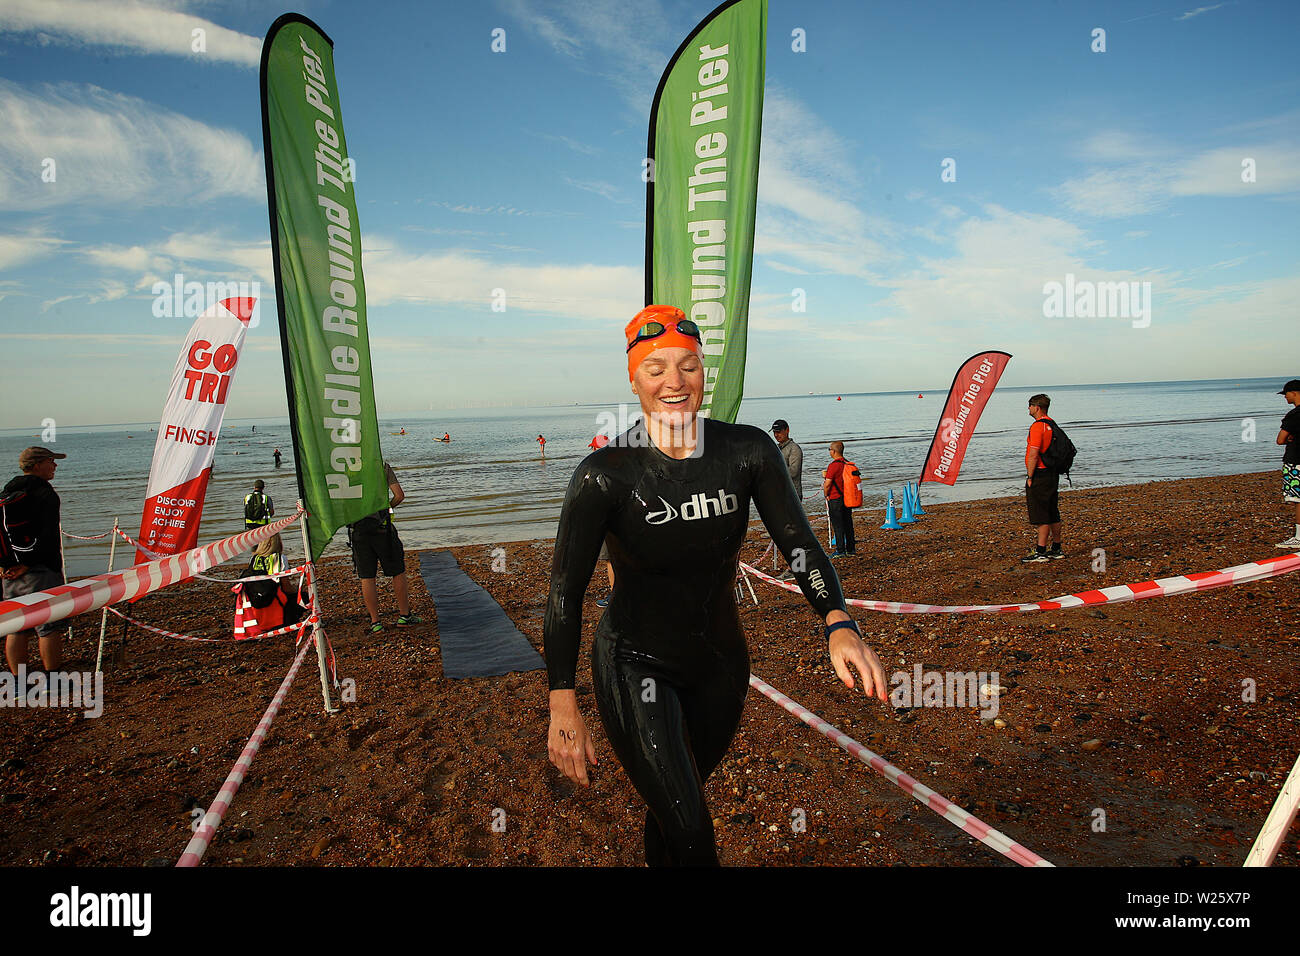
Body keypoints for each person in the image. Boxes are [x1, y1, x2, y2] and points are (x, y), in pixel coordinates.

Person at [543, 304, 887, 867]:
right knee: (690, 824)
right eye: (656, 370)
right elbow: (565, 592)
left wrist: (838, 622)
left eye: (688, 366)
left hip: (721, 668)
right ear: (633, 379)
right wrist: (562, 701)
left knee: (677, 807)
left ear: (705, 371)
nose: (674, 383)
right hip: (634, 664)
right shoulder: (605, 474)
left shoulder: (747, 451)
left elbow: (800, 543)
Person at [2, 447, 68, 673]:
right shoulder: (44, 493)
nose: (55, 466)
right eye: (51, 461)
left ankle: (18, 680)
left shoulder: (7, 492)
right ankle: (52, 678)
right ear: (37, 465)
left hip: (10, 570)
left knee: (16, 628)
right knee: (48, 626)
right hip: (40, 569)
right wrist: (29, 564)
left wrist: (6, 565)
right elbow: (49, 535)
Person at [348, 461, 421, 633]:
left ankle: (375, 622)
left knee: (367, 576)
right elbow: (399, 495)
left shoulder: (347, 467)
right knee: (397, 570)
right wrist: (385, 508)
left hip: (358, 528)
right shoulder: (380, 465)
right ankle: (404, 615)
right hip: (382, 527)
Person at [1022, 393, 1064, 562]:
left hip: (1040, 473)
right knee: (1053, 511)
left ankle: (1040, 551)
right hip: (1052, 473)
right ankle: (1056, 548)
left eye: (1030, 406)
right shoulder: (1052, 424)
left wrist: (1030, 476)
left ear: (1037, 408)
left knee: (1042, 514)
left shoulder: (1038, 427)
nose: (1029, 409)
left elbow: (1033, 454)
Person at [1276, 379, 1300, 549]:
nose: (1285, 397)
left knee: (1299, 500)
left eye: (1286, 394)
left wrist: (1290, 438)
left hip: (1296, 459)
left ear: (1295, 393)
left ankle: (1299, 536)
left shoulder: (1294, 415)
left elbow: (1280, 440)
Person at [822, 441, 856, 557]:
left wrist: (826, 494)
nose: (829, 451)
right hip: (848, 498)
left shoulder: (833, 465)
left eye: (829, 449)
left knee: (838, 525)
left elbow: (827, 484)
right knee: (848, 523)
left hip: (836, 498)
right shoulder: (848, 463)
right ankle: (851, 549)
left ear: (834, 451)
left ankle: (840, 550)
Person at [771, 420, 803, 501]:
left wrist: (773, 470)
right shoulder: (775, 448)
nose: (776, 435)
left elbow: (793, 472)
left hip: (793, 494)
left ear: (787, 430)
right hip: (778, 493)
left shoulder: (794, 448)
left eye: (778, 432)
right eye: (774, 432)